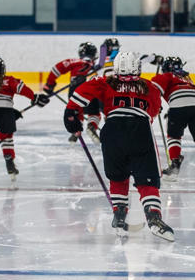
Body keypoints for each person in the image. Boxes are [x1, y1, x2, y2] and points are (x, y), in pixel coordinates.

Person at [63, 51, 175, 242]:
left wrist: (71, 114)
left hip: (112, 130)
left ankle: (119, 216)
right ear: (138, 69)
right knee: (147, 179)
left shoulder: (104, 82)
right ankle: (154, 217)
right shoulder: (149, 86)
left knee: (118, 176)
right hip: (140, 130)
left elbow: (80, 93)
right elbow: (154, 110)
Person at [0, 55, 49, 178]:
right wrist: (34, 97)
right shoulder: (9, 80)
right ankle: (9, 160)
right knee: (6, 136)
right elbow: (21, 88)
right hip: (6, 111)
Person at [44, 42, 101, 143]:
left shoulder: (74, 61)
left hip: (75, 89)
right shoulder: (97, 64)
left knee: (76, 111)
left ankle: (75, 132)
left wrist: (49, 84)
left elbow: (56, 69)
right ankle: (92, 126)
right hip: (91, 88)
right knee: (94, 112)